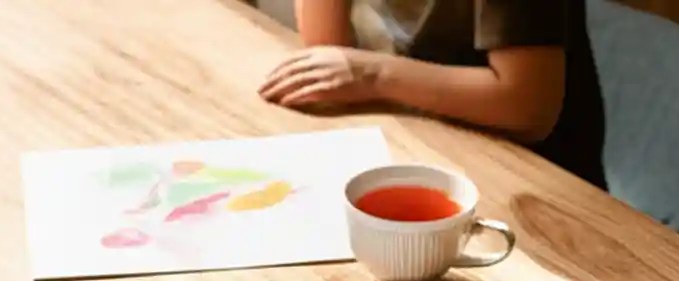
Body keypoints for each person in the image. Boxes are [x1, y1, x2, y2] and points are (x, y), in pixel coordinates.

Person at [260, 0, 607, 189]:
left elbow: (528, 108)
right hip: (422, 146)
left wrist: (373, 74)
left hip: (532, 185)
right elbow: (325, 45)